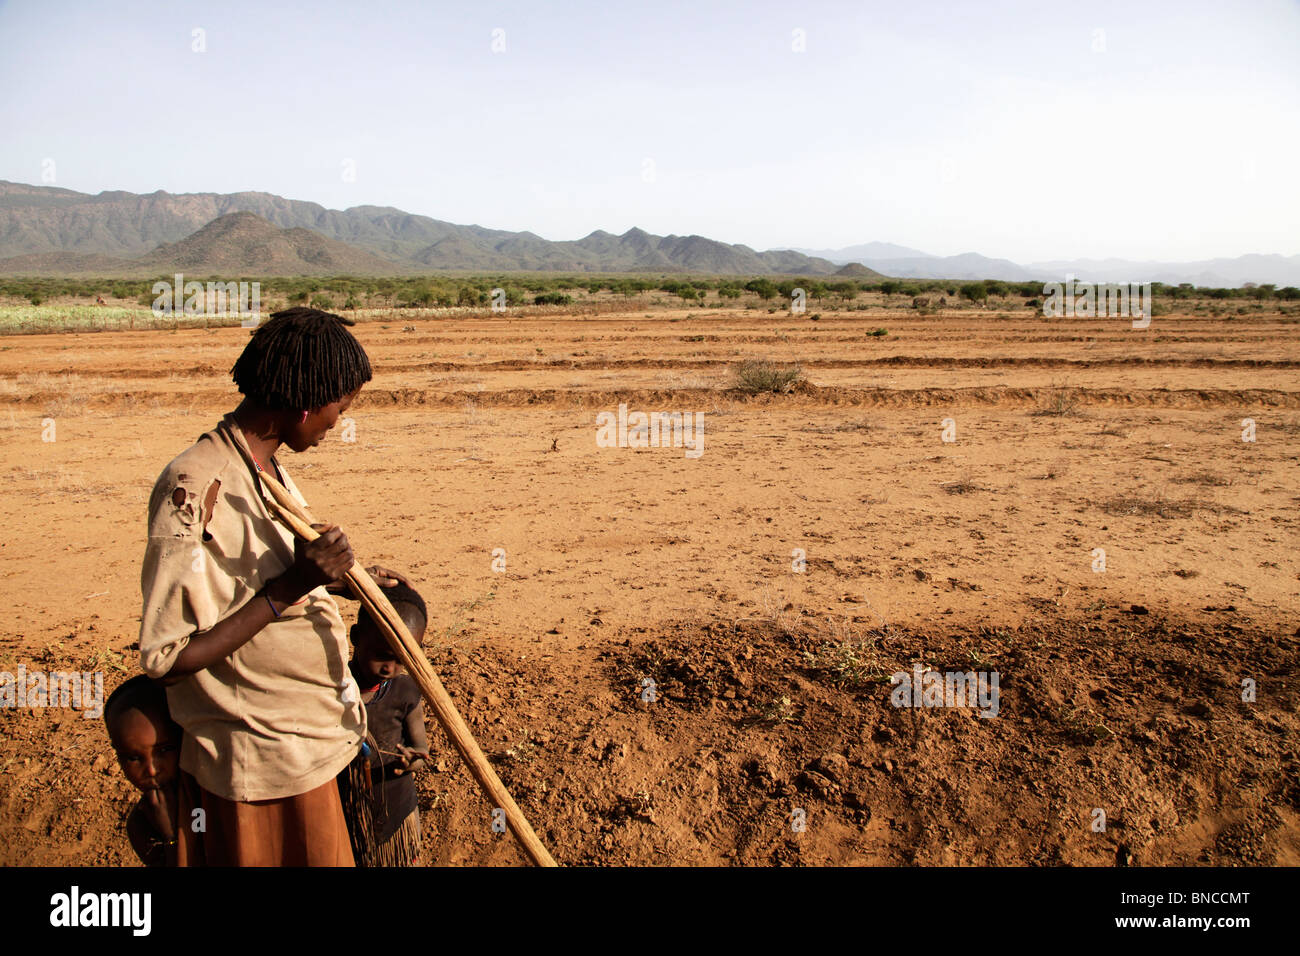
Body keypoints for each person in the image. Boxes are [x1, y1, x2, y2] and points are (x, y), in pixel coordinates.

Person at [138, 306, 407, 866]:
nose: (338, 422)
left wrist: (340, 584)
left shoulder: (263, 468)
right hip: (258, 765)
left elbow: (243, 588)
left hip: (299, 746)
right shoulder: (193, 486)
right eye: (341, 407)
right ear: (306, 401)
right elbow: (168, 657)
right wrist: (296, 583)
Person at [340, 582, 431, 866]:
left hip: (395, 812)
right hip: (345, 813)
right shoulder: (333, 689)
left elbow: (420, 750)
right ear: (356, 637)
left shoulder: (405, 693)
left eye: (401, 659)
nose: (390, 668)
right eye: (382, 655)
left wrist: (412, 761)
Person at [104, 675, 182, 867]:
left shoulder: (210, 800)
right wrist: (170, 837)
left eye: (165, 750)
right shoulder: (143, 824)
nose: (151, 770)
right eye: (133, 758)